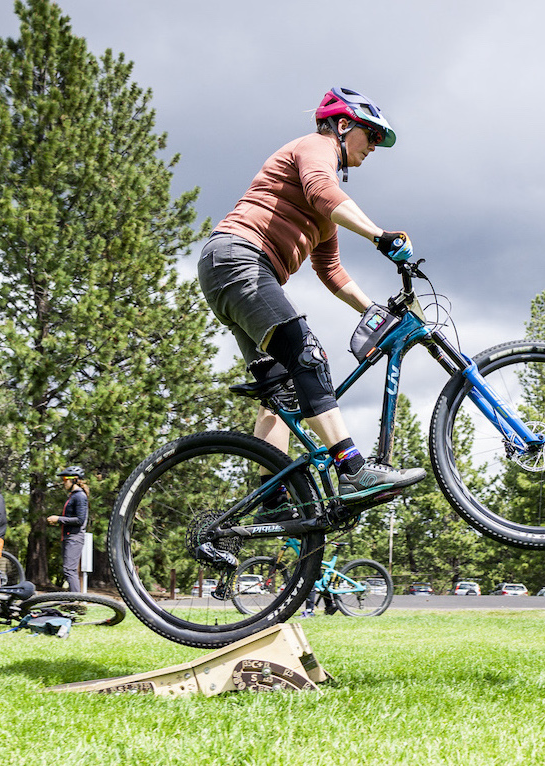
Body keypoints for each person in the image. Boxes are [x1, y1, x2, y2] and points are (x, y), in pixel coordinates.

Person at [196, 87, 425, 564]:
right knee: (308, 357)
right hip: (240, 259)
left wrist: (373, 310)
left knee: (280, 396)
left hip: (228, 270)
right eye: (370, 135)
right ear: (342, 125)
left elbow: (332, 272)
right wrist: (380, 235)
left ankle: (271, 503)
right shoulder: (315, 147)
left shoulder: (323, 214)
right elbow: (325, 190)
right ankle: (353, 469)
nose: (373, 147)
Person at [47, 466, 88, 592]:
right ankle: (74, 598)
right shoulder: (73, 496)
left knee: (69, 569)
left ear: (74, 479)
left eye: (65, 479)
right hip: (69, 536)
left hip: (75, 537)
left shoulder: (79, 496)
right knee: (69, 569)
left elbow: (80, 520)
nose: (63, 482)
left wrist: (58, 519)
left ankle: (75, 599)